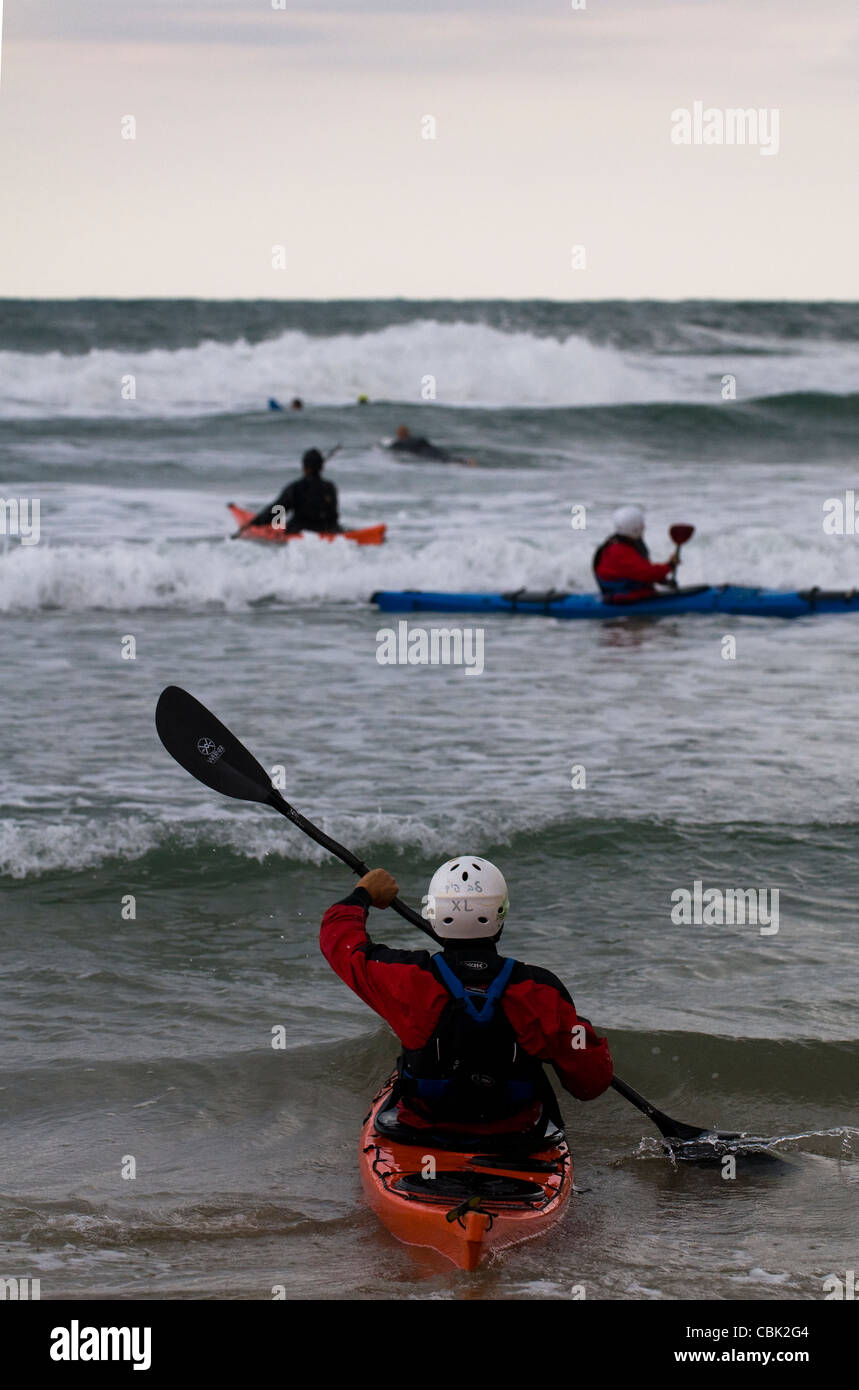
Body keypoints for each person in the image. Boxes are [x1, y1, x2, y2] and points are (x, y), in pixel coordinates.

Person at [320, 857, 613, 1139]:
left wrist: (362, 895)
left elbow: (340, 941)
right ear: (501, 914)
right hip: (518, 1138)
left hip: (422, 1132)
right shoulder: (542, 990)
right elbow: (590, 1084)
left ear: (433, 915)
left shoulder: (407, 979)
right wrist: (577, 1028)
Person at [238, 448, 340, 535]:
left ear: (305, 468)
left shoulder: (296, 487)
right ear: (321, 467)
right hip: (328, 529)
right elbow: (333, 515)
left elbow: (278, 511)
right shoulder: (330, 487)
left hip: (300, 531)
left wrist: (254, 523)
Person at [592, 505, 678, 603]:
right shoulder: (620, 551)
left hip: (619, 591)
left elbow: (638, 571)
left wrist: (663, 580)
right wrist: (670, 565)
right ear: (635, 528)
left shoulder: (617, 544)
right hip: (624, 597)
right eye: (642, 524)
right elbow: (646, 573)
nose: (644, 527)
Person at [387, 425, 477, 466]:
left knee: (442, 460)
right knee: (446, 457)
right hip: (431, 449)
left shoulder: (398, 443)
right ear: (408, 433)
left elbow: (394, 451)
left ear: (399, 434)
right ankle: (467, 461)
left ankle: (466, 462)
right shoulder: (417, 439)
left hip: (423, 453)